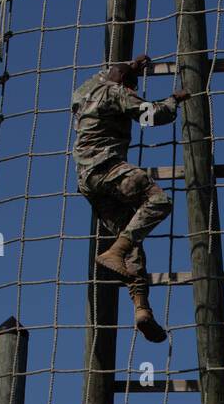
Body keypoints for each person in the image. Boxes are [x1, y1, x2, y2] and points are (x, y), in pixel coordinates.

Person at [71, 55, 190, 343]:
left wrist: (128, 67)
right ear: (126, 85)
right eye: (134, 87)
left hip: (87, 180)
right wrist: (174, 100)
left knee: (131, 240)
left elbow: (109, 75)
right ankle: (115, 251)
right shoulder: (116, 93)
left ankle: (142, 308)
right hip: (107, 167)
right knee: (158, 201)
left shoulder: (83, 94)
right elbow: (151, 115)